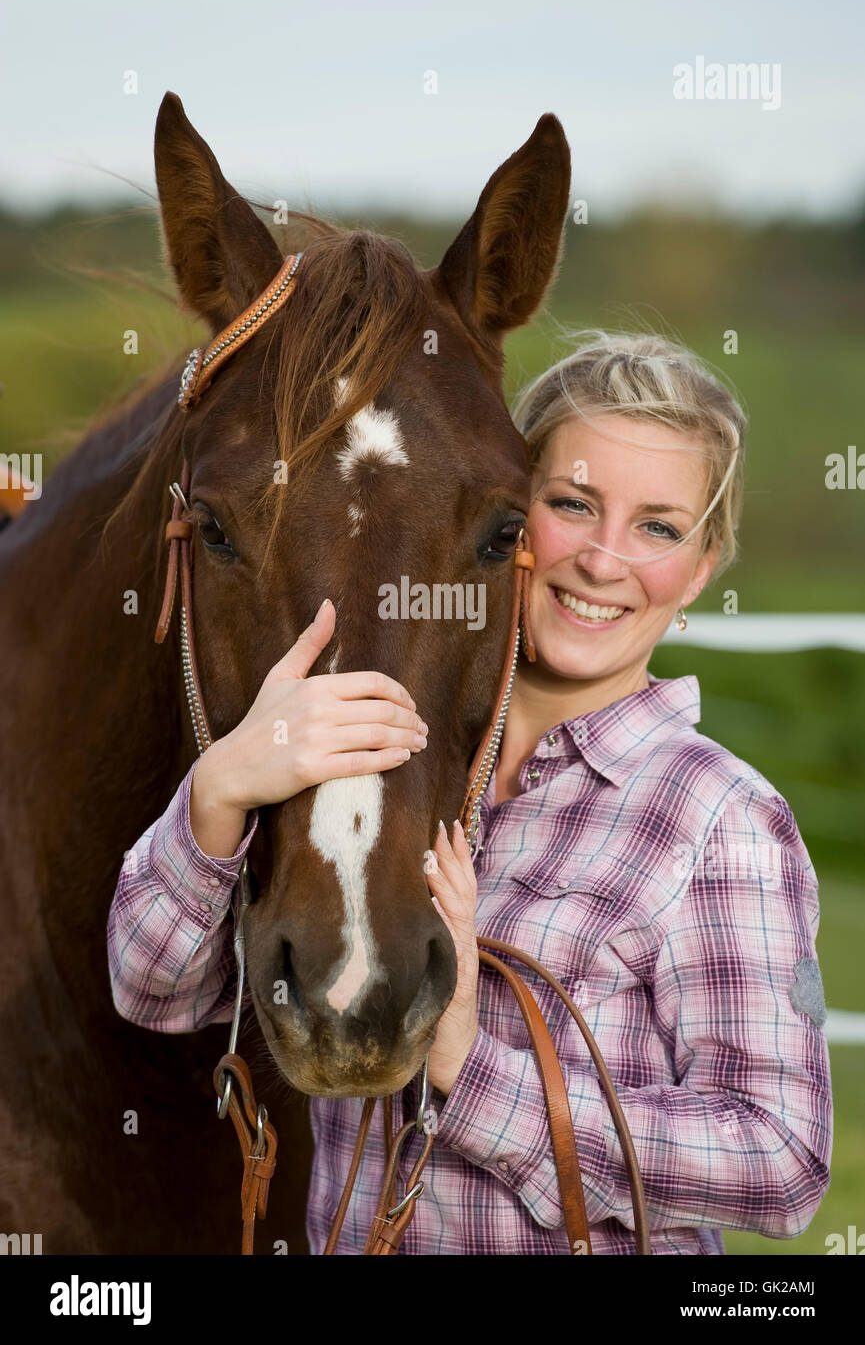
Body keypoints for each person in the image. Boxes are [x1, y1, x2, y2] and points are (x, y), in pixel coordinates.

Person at [108, 330, 832, 1255]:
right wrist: (216, 795)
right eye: (572, 504)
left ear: (700, 569)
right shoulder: (382, 758)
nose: (602, 562)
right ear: (505, 522)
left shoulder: (720, 819)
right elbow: (157, 995)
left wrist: (469, 1069)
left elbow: (782, 1164)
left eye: (657, 527)